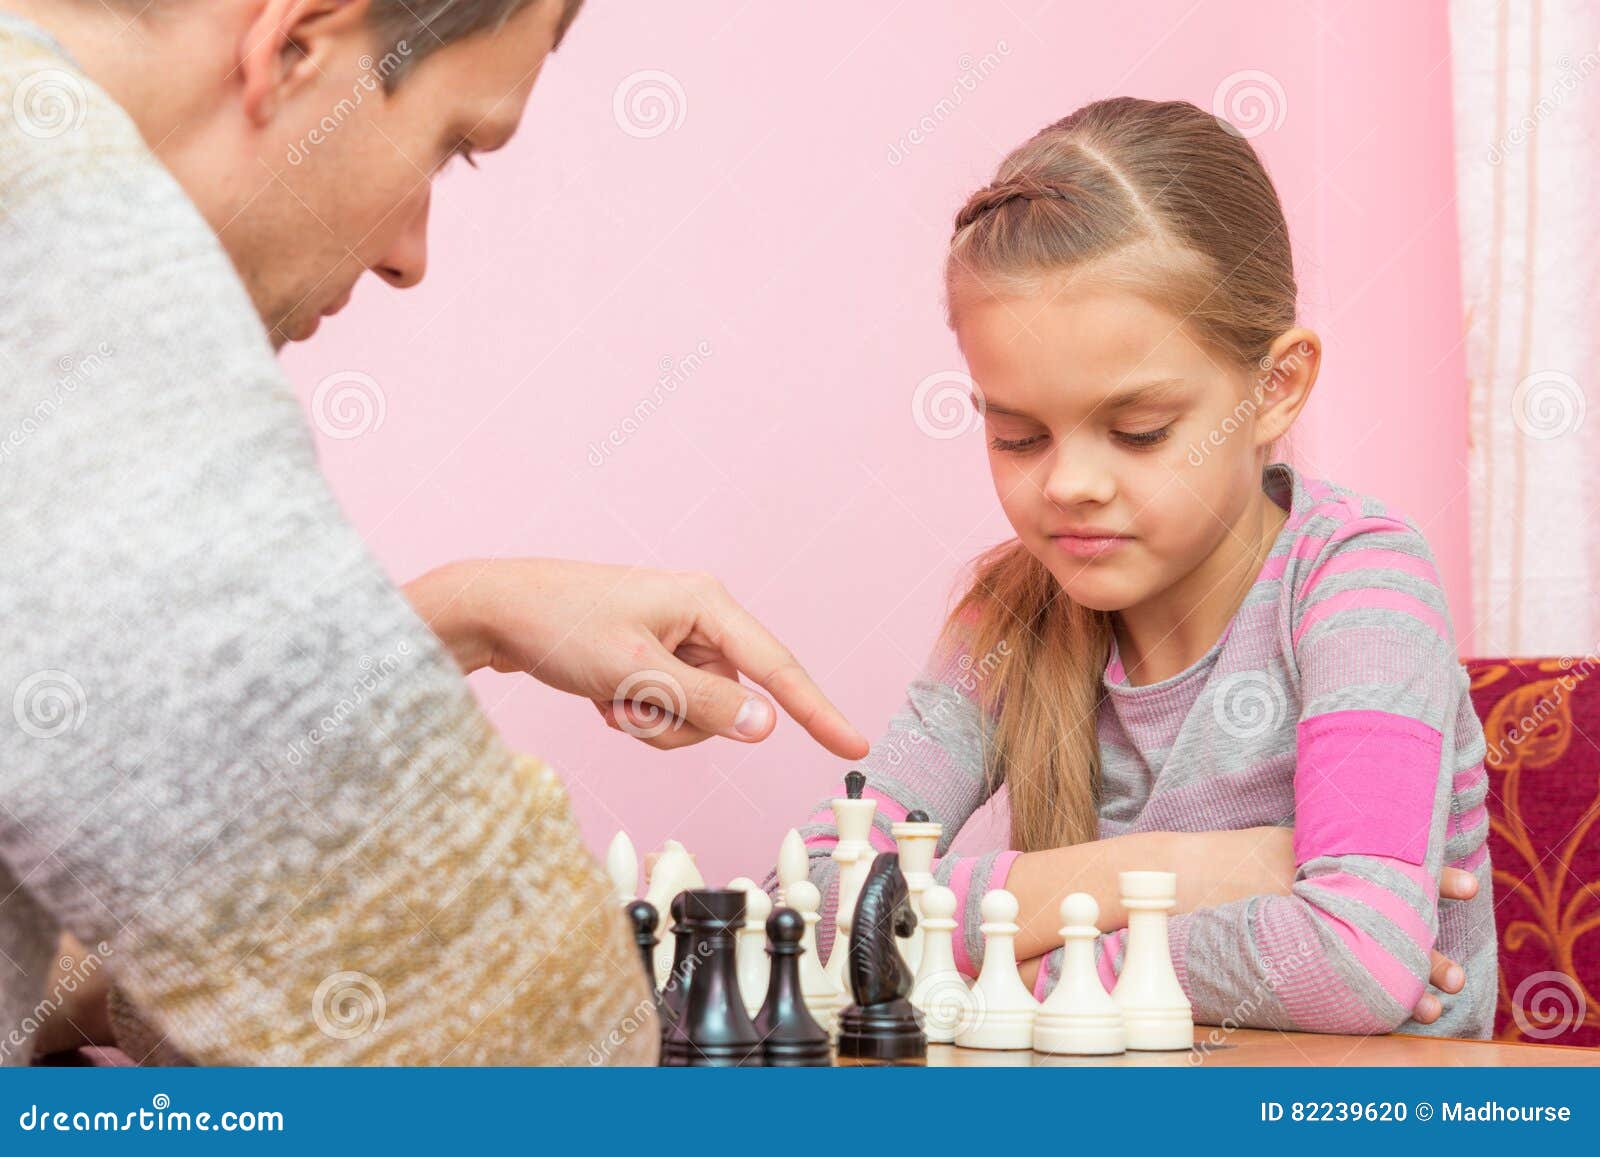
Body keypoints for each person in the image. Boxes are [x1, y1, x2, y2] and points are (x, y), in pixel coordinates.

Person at [0, 0, 866, 1065]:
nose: (411, 258)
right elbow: (509, 1049)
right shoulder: (46, 232)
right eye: (452, 146)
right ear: (298, 42)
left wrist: (437, 621)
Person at [779, 98, 1495, 1037]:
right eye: (1018, 435)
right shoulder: (1009, 616)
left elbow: (1351, 967)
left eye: (1139, 432)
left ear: (1274, 387)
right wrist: (1195, 869)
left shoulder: (1363, 584)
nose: (1071, 484)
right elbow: (822, 906)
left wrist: (995, 965)